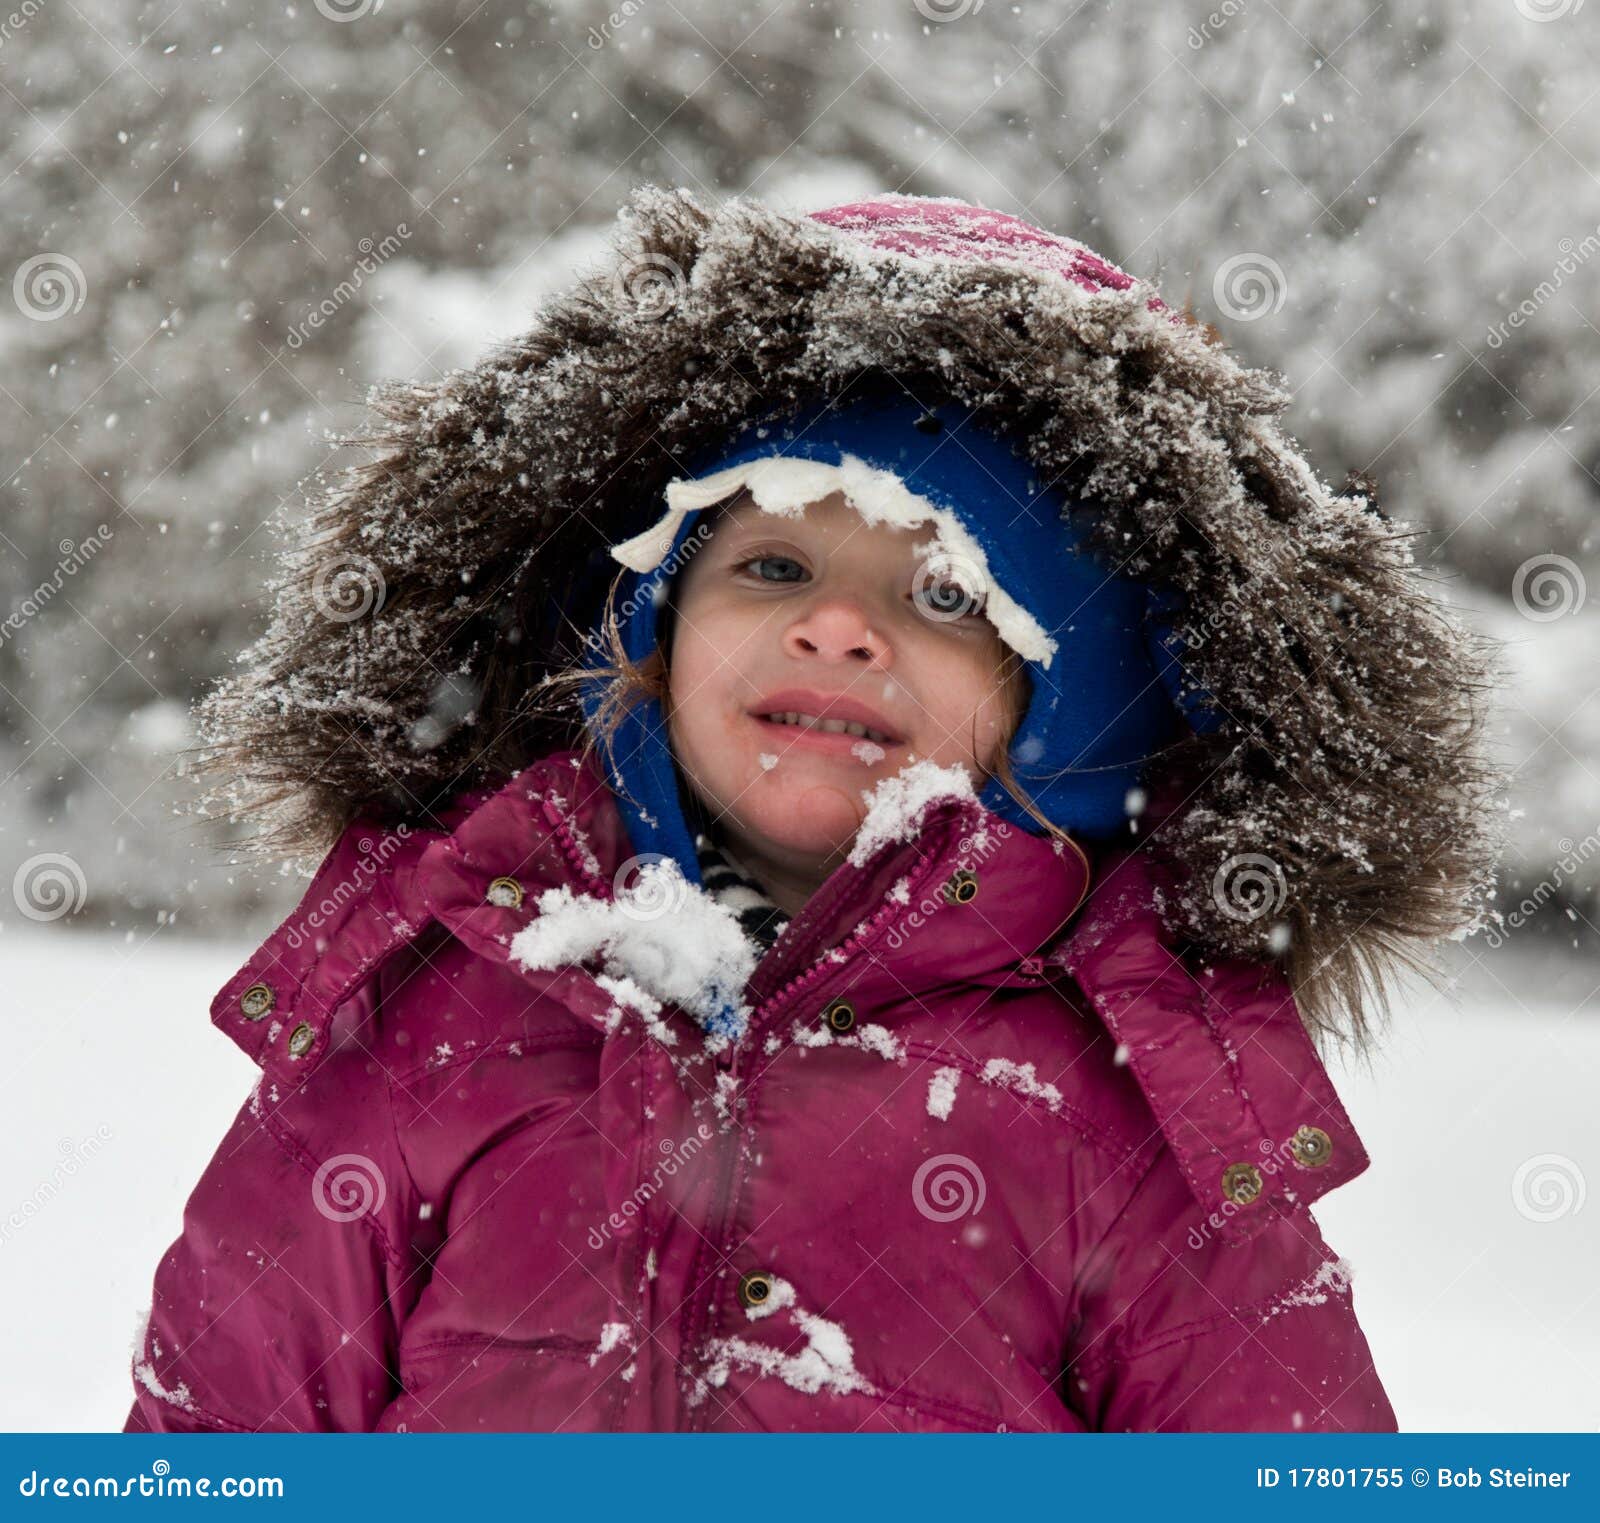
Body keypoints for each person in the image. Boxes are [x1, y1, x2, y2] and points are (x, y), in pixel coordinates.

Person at [122, 188, 1501, 1433]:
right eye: (773, 564)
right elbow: (224, 1424)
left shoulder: (1121, 1111)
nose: (839, 626)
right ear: (645, 645)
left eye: (948, 591)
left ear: (1072, 705)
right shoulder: (442, 1003)